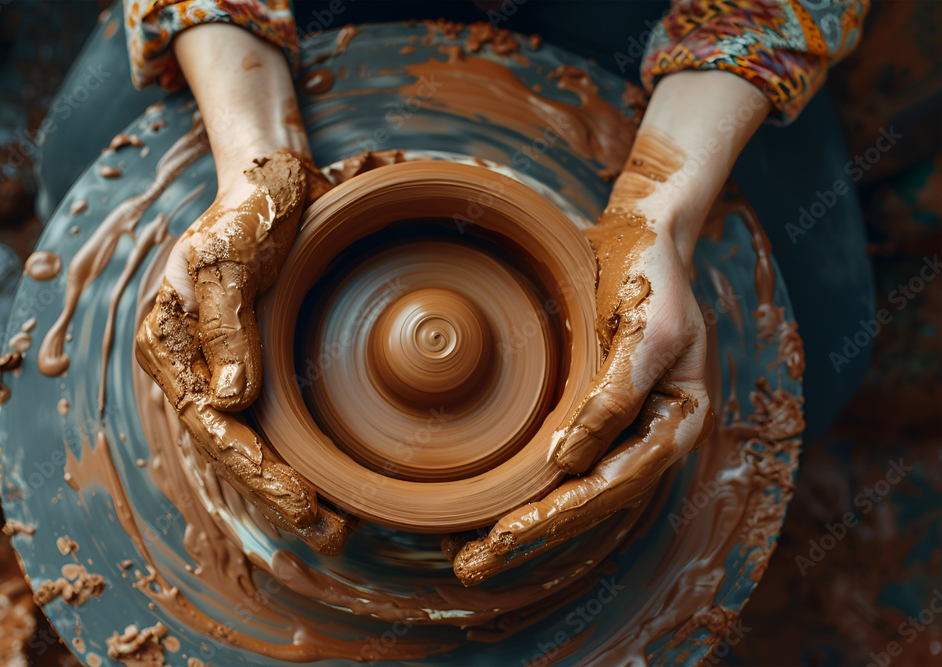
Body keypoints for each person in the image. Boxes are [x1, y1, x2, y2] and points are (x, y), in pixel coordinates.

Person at [128, 0, 870, 580]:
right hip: (289, 18)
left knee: (822, 337)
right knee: (90, 153)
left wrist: (659, 212)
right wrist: (258, 154)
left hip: (656, 28)